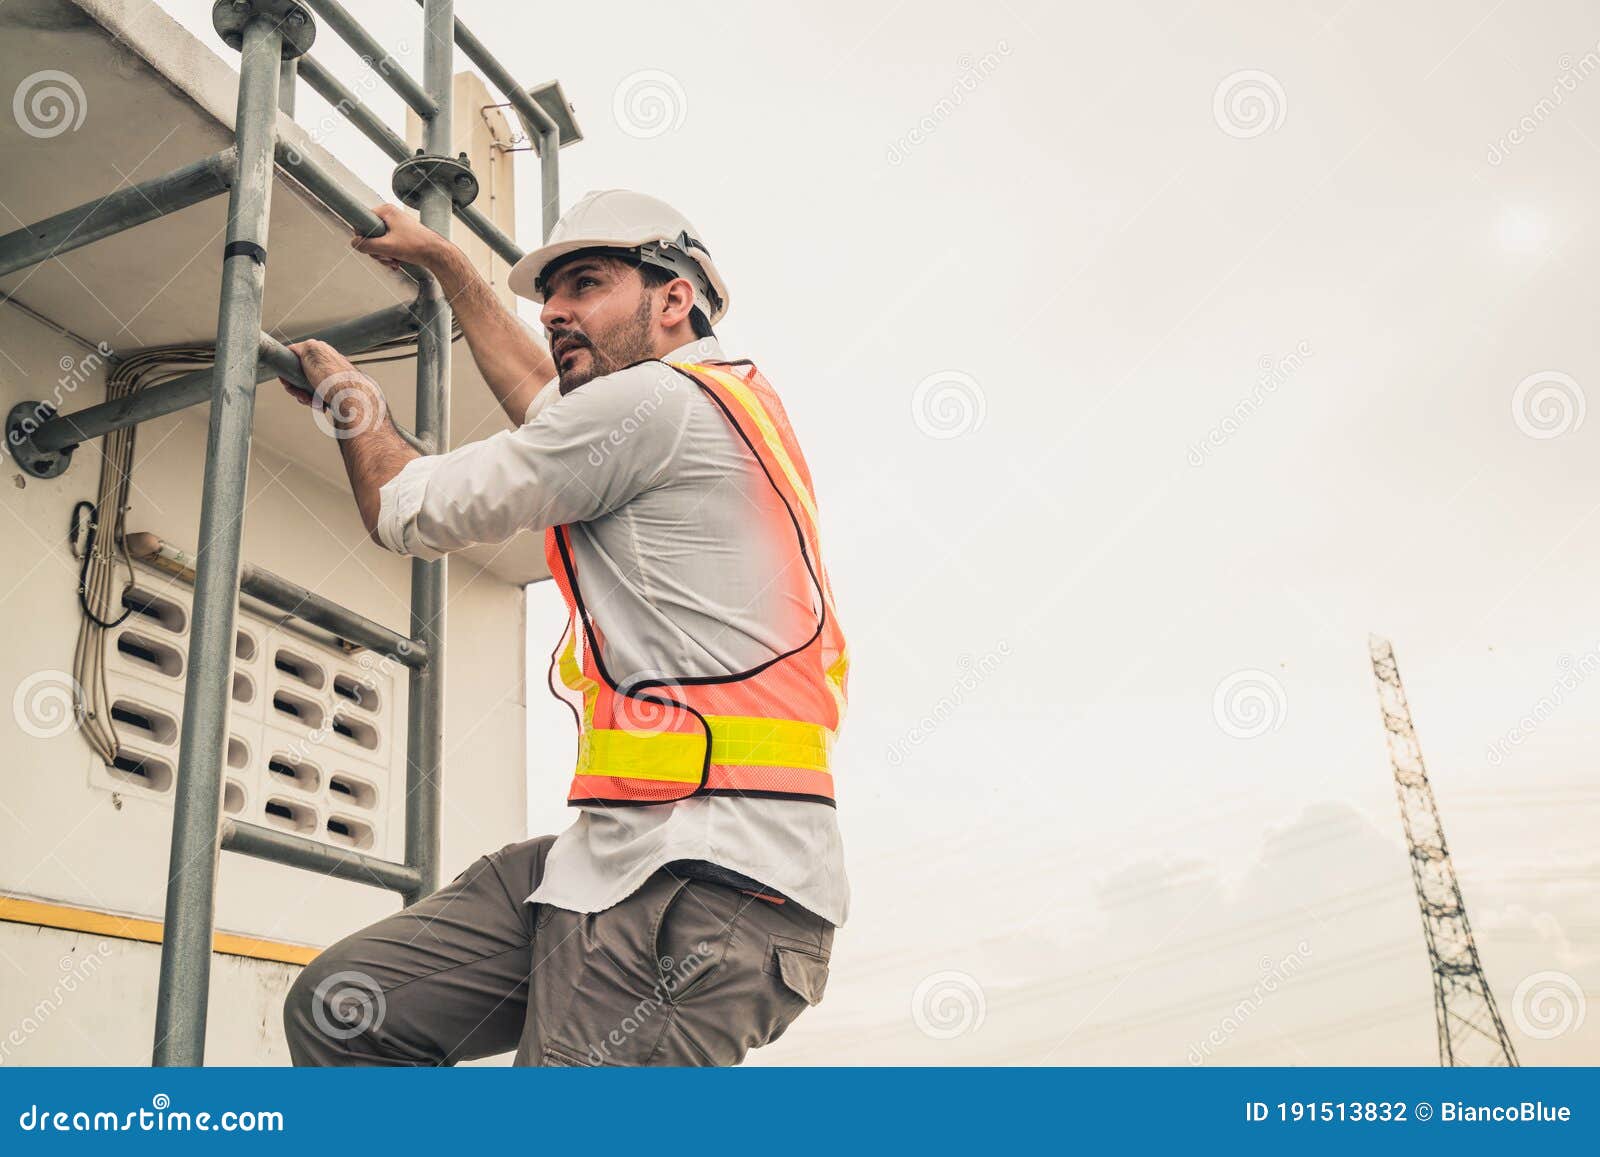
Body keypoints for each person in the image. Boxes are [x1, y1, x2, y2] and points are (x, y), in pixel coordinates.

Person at [279, 190, 850, 1066]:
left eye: (585, 284)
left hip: (702, 886)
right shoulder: (704, 403)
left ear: (672, 300)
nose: (553, 311)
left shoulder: (654, 406)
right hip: (618, 857)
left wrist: (351, 398)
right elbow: (541, 396)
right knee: (344, 1009)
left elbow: (407, 508)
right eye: (549, 298)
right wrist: (449, 266)